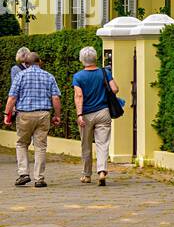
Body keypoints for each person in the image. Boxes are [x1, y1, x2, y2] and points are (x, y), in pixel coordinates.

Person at [3, 52, 62, 188]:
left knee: (22, 143)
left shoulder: (20, 75)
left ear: (26, 63)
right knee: (40, 146)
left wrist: (7, 114)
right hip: (43, 114)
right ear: (39, 62)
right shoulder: (48, 76)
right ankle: (39, 178)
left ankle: (23, 174)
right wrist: (57, 115)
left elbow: (12, 98)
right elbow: (56, 98)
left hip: (24, 115)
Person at [72, 46, 118, 186]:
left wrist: (79, 115)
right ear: (95, 58)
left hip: (86, 114)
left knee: (86, 145)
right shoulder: (105, 72)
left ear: (82, 60)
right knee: (102, 143)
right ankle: (102, 171)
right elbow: (115, 89)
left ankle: (86, 175)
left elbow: (79, 95)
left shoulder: (78, 76)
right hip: (103, 112)